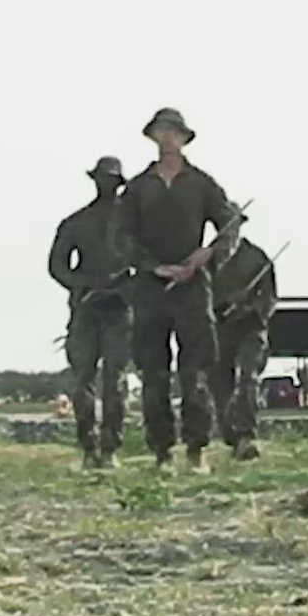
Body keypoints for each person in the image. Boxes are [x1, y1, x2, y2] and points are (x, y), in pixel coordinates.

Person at [120, 108, 240, 473]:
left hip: (192, 287)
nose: (168, 138)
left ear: (184, 138)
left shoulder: (202, 183)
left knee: (195, 373)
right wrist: (152, 266)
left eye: (174, 132)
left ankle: (196, 450)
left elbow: (230, 225)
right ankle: (162, 453)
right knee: (153, 374)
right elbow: (122, 238)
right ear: (153, 137)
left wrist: (209, 254)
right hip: (150, 288)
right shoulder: (139, 187)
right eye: (162, 132)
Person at [47, 156, 133, 469]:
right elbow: (57, 266)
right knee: (83, 379)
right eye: (102, 178)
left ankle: (109, 448)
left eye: (110, 179)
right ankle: (89, 447)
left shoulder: (134, 224)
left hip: (120, 308)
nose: (106, 184)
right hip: (86, 308)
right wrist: (83, 285)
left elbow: (149, 263)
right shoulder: (75, 222)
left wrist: (123, 285)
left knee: (115, 379)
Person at [210, 235, 278, 461]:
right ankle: (232, 437)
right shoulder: (208, 257)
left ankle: (248, 434)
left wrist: (251, 308)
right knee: (220, 385)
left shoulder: (256, 257)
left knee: (248, 377)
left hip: (251, 328)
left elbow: (269, 297)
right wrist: (221, 305)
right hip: (219, 329)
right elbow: (199, 293)